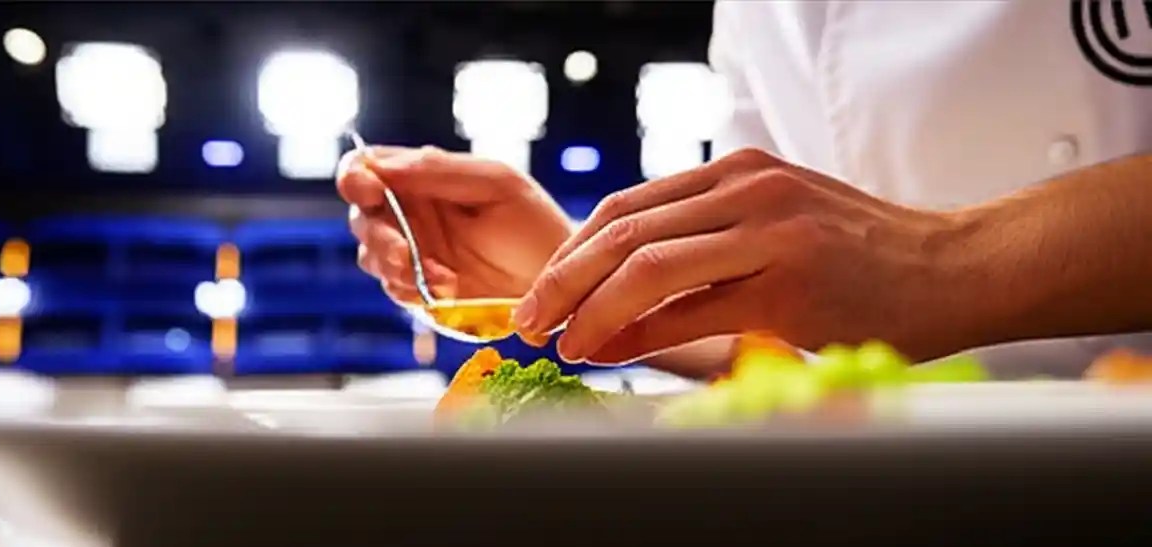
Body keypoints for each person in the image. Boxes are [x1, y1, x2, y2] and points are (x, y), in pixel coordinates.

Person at [337, 0, 1152, 380]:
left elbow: (892, 274)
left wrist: (950, 263)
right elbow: (789, 333)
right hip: (903, 516)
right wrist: (576, 271)